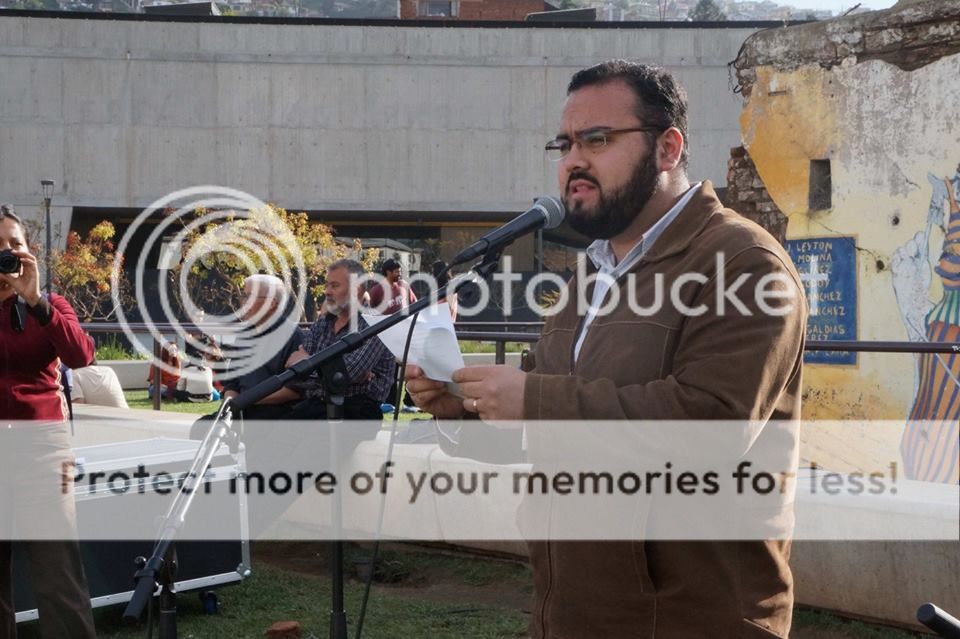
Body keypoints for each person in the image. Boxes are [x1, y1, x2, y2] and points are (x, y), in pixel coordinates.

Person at [406, 61, 806, 638]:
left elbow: (709, 429)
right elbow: (544, 432)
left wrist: (535, 400)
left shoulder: (743, 264)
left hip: (690, 617)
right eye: (564, 143)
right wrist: (459, 407)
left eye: (598, 139)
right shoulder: (590, 274)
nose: (573, 160)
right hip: (574, 611)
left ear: (668, 148)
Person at [0, 204, 98, 638]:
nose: (7, 253)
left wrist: (35, 301)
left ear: (29, 250)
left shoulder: (51, 304)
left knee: (58, 575)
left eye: (14, 244)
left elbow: (82, 355)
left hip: (42, 448)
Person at [287, 259, 396, 421]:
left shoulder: (374, 325)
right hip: (314, 406)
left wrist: (306, 362)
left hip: (355, 412)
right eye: (327, 285)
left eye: (335, 286)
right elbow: (293, 377)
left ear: (357, 290)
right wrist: (334, 373)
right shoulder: (322, 323)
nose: (327, 291)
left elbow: (346, 374)